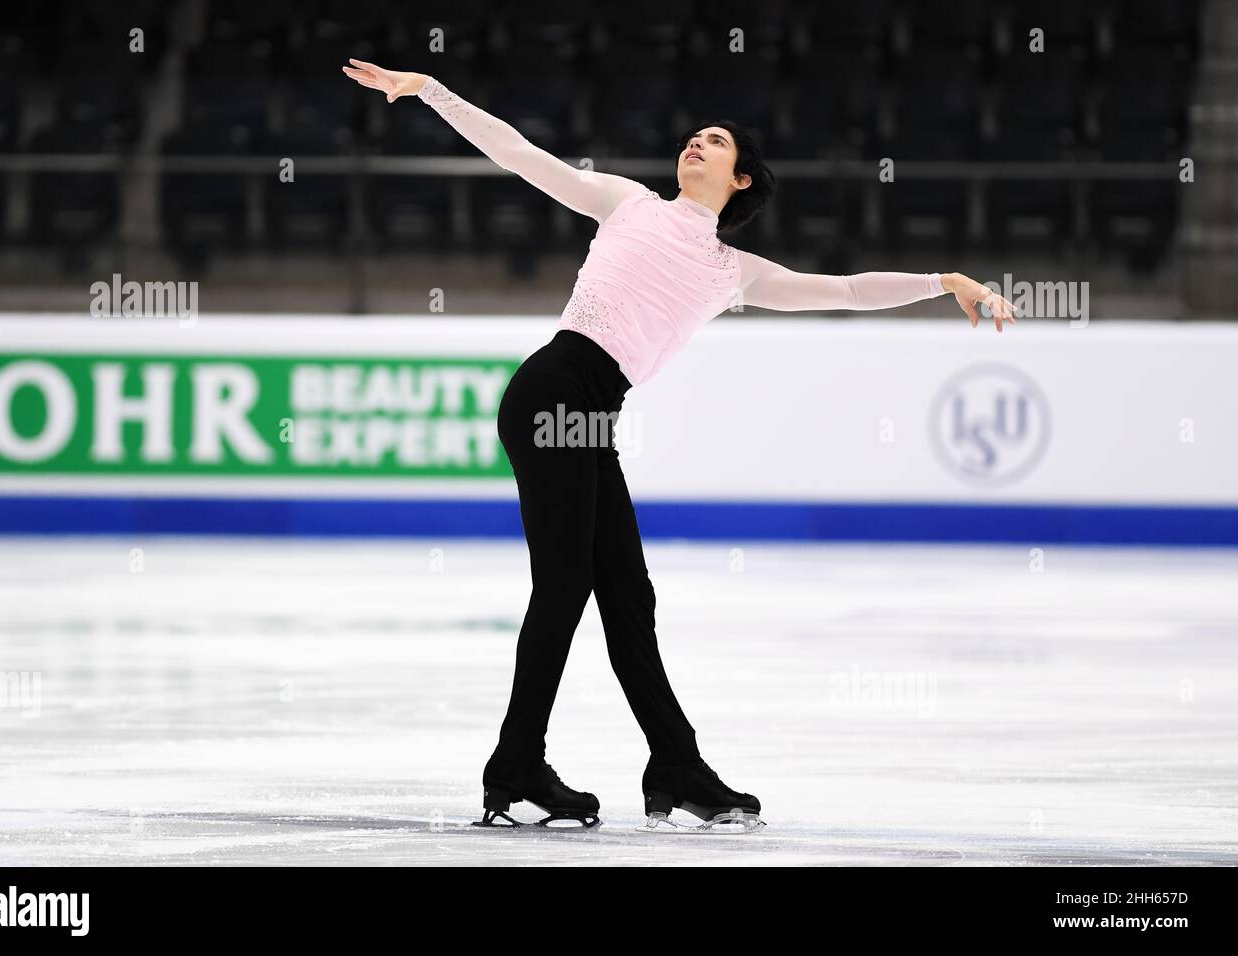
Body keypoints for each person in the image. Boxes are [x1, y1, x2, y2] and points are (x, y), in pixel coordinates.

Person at [342, 60, 1017, 831]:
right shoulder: (627, 205)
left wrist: (948, 279)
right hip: (553, 389)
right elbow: (521, 156)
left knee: (628, 596)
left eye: (716, 141)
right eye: (693, 137)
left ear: (741, 179)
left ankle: (676, 766)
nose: (696, 144)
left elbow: (848, 288)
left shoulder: (735, 272)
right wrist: (431, 91)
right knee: (565, 589)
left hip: (591, 414)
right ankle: (518, 765)